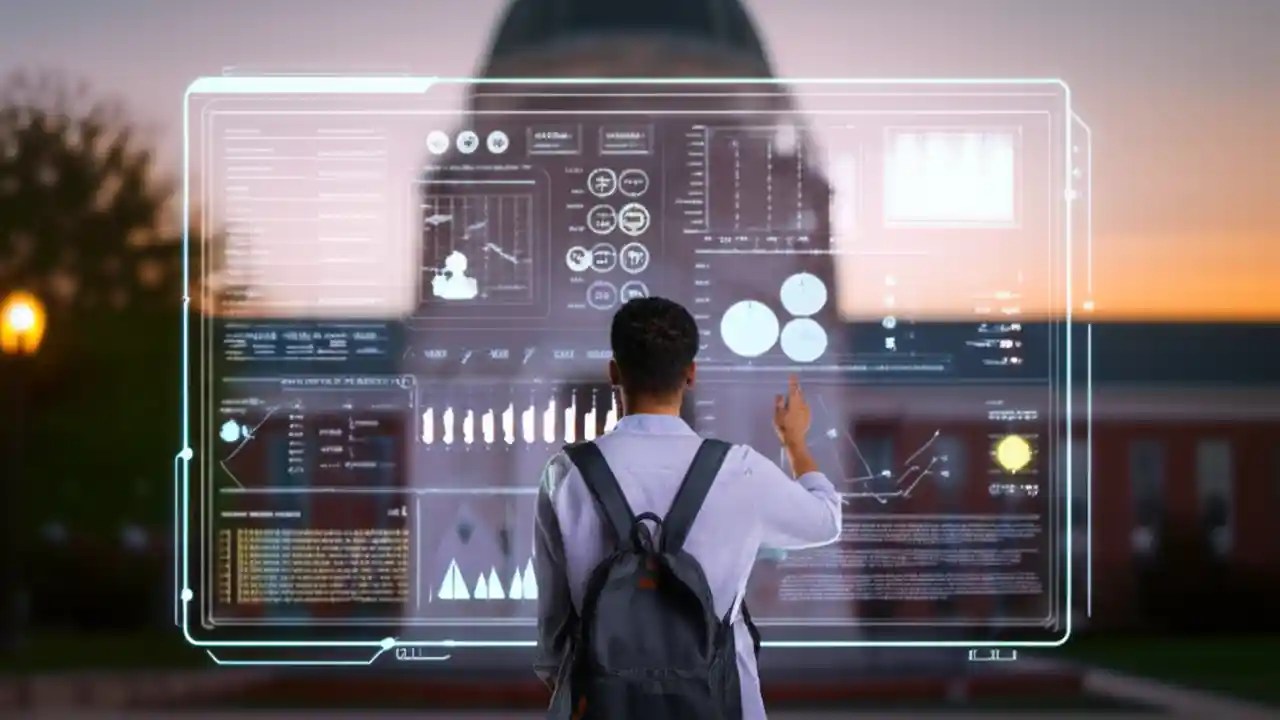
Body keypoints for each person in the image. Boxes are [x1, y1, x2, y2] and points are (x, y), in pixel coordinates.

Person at [533, 296, 842, 719]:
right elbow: (825, 520)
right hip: (721, 701)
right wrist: (795, 444)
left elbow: (555, 624)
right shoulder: (740, 469)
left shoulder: (565, 473)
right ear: (691, 374)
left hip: (602, 701)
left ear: (614, 372)